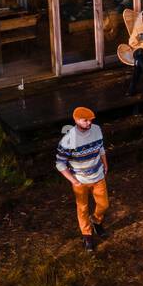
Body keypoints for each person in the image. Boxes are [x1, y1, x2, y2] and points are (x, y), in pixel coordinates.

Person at [55, 106, 109, 252]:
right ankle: (87, 235)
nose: (89, 123)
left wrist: (105, 163)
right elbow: (60, 163)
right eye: (85, 120)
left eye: (90, 120)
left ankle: (96, 221)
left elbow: (101, 148)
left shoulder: (97, 129)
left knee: (104, 205)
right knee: (83, 209)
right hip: (80, 181)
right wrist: (74, 181)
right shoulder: (68, 140)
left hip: (98, 176)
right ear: (76, 120)